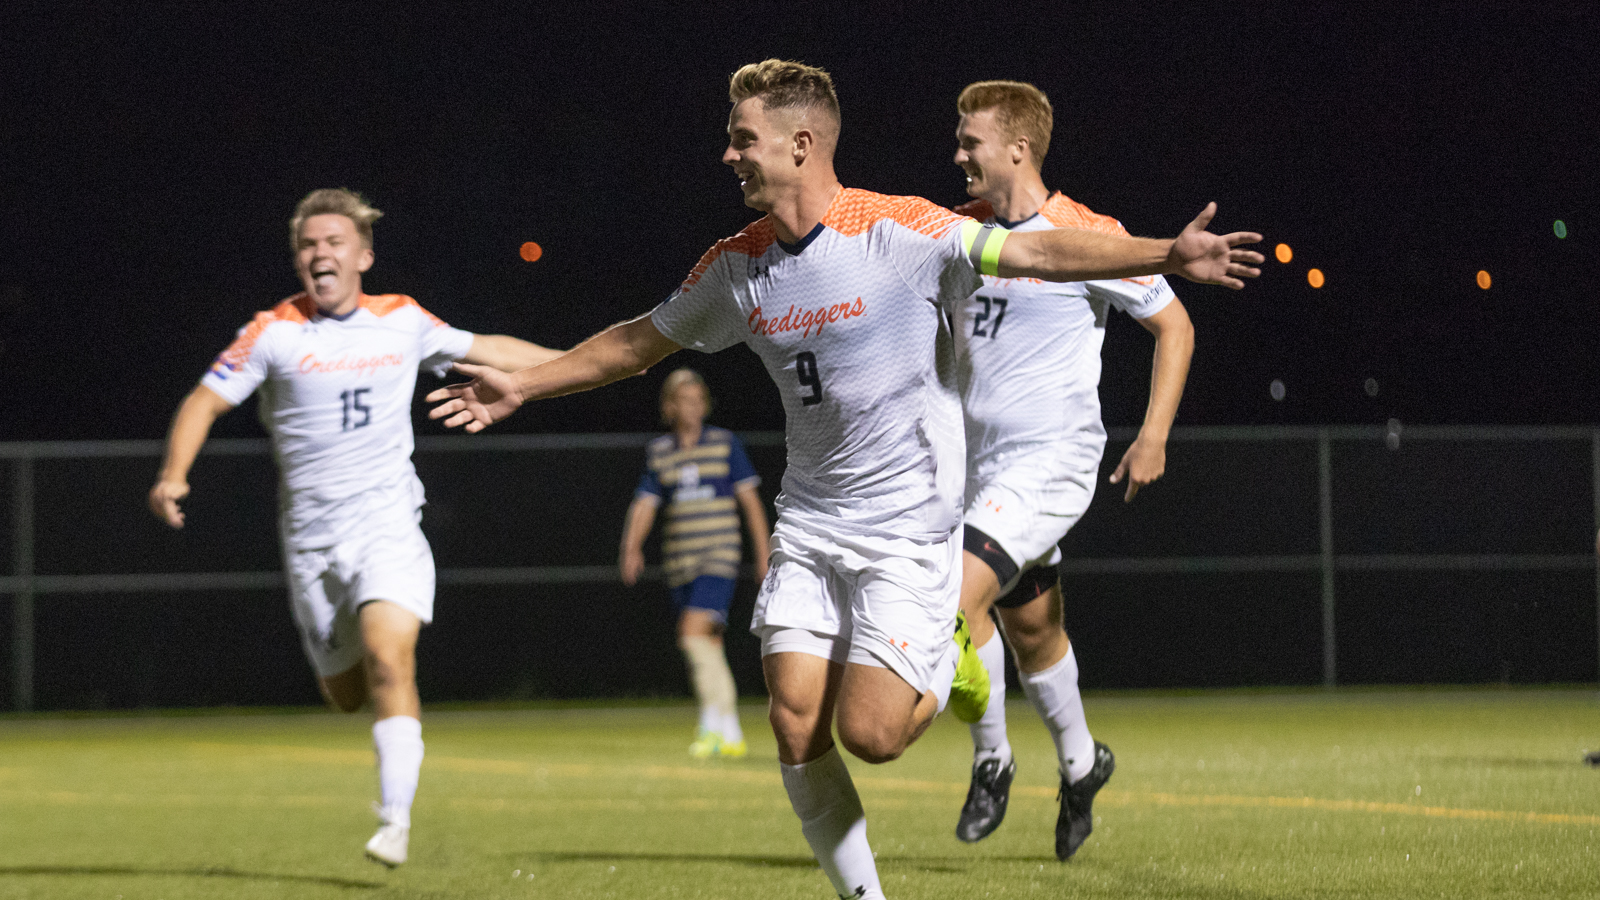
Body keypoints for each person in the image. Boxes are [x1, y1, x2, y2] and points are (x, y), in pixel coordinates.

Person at [427, 60, 1260, 899]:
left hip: (909, 532)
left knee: (873, 736)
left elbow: (1037, 249)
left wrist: (1165, 253)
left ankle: (954, 666)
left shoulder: (901, 230)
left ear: (801, 143)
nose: (728, 155)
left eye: (741, 138)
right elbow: (639, 343)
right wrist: (525, 385)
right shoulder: (737, 265)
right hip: (813, 524)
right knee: (793, 718)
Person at [146, 188, 561, 868]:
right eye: (309, 245)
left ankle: (394, 819)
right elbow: (203, 400)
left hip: (387, 523)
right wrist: (173, 474)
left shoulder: (402, 320)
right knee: (344, 694)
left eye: (334, 242)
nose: (320, 254)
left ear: (363, 255)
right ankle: (376, 744)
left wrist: (582, 362)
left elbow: (486, 347)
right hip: (311, 543)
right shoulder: (274, 331)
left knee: (390, 658)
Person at [944, 80, 1200, 861]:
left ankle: (992, 759)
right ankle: (1084, 765)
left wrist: (1153, 434)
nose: (958, 155)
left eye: (969, 142)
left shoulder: (1087, 234)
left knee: (954, 596)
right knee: (1032, 629)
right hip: (972, 468)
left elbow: (1174, 325)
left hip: (1050, 465)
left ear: (1016, 148)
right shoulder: (962, 235)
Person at [619, 367, 771, 758]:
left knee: (691, 634)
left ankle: (710, 725)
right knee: (708, 642)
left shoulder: (724, 444)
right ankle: (730, 731)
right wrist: (631, 548)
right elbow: (645, 504)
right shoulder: (661, 451)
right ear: (669, 406)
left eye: (698, 399)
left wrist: (764, 555)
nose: (692, 407)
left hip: (718, 556)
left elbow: (750, 502)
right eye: (684, 400)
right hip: (679, 562)